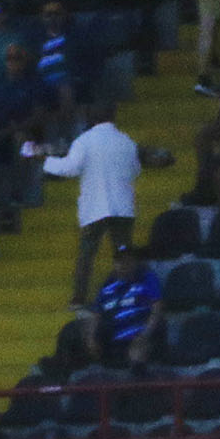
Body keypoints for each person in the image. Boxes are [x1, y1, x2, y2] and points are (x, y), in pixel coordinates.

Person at [43, 103, 141, 307]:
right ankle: (126, 296)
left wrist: (46, 161)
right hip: (122, 208)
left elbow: (69, 168)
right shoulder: (126, 141)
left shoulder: (84, 141)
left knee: (86, 256)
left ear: (90, 117)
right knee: (124, 255)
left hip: (95, 209)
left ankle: (79, 298)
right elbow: (135, 171)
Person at [82, 243, 162, 369]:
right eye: (119, 261)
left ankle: (138, 376)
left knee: (139, 348)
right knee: (74, 332)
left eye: (128, 260)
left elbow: (157, 308)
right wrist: (91, 337)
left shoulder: (147, 278)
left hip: (137, 330)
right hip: (112, 333)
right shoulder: (107, 285)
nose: (124, 264)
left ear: (135, 262)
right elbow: (96, 314)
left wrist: (145, 333)